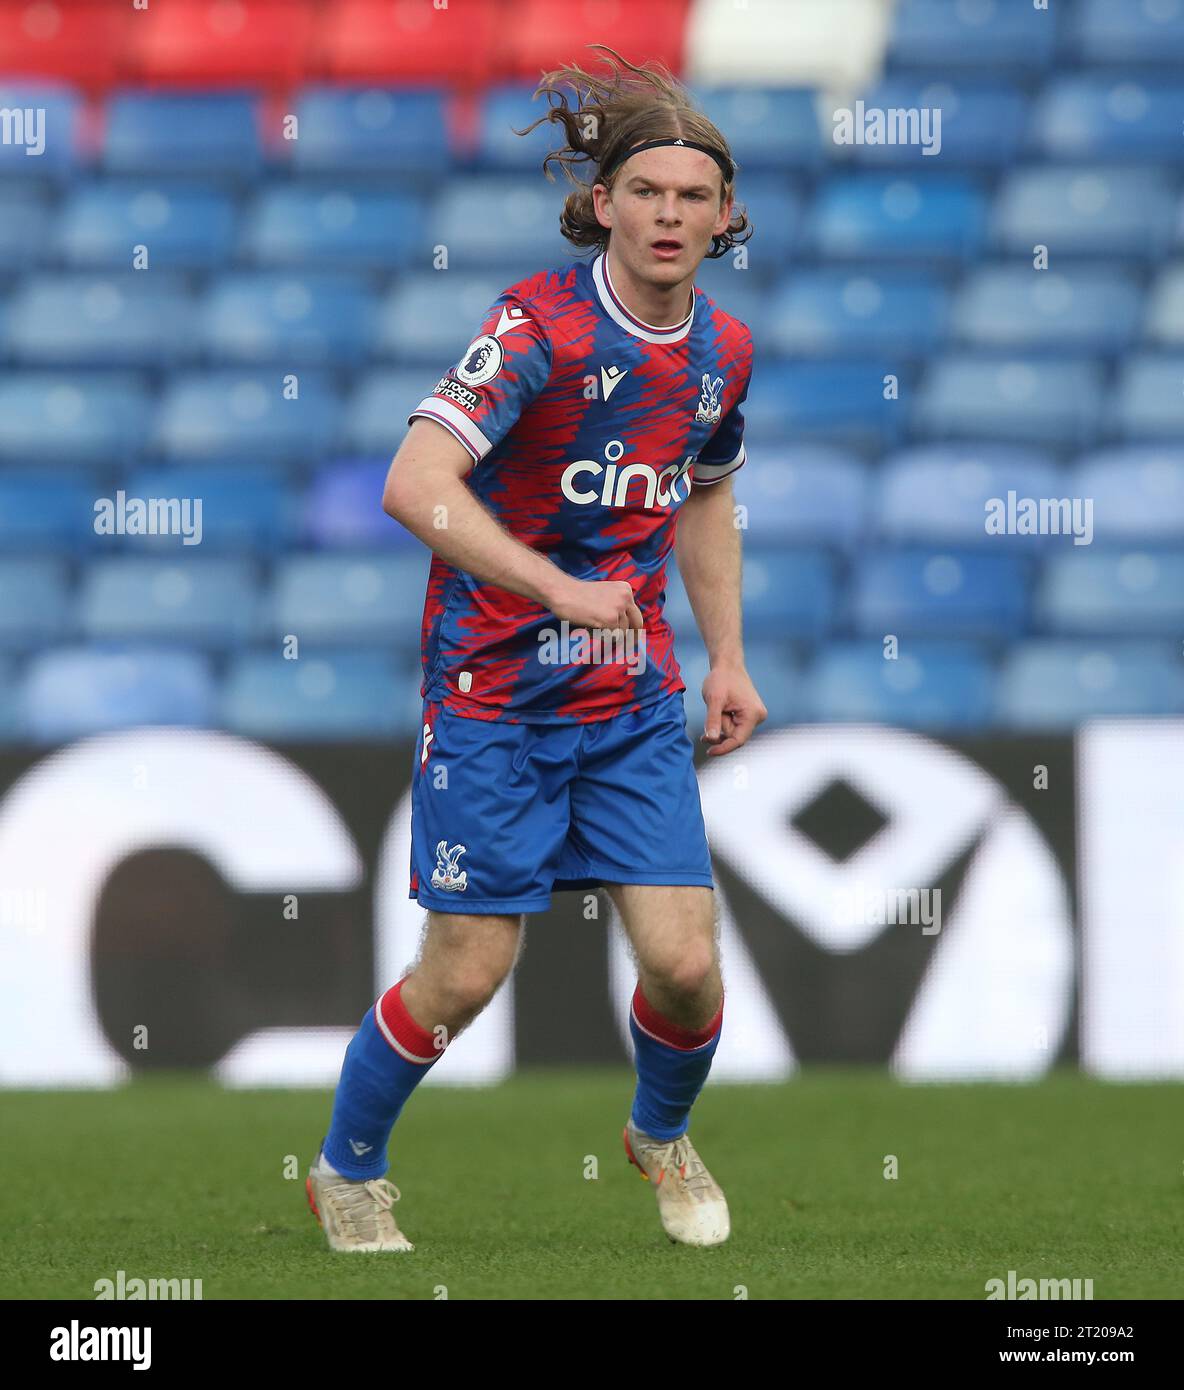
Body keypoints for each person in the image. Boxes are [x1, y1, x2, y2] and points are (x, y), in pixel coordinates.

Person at [307, 43, 767, 1253]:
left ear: (724, 216)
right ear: (603, 203)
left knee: (684, 966)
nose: (669, 216)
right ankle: (347, 1167)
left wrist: (725, 655)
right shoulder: (535, 327)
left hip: (627, 698)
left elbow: (704, 495)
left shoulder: (723, 350)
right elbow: (414, 483)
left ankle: (659, 1135)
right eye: (646, 193)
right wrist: (555, 583)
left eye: (692, 197)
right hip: (493, 696)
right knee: (461, 976)